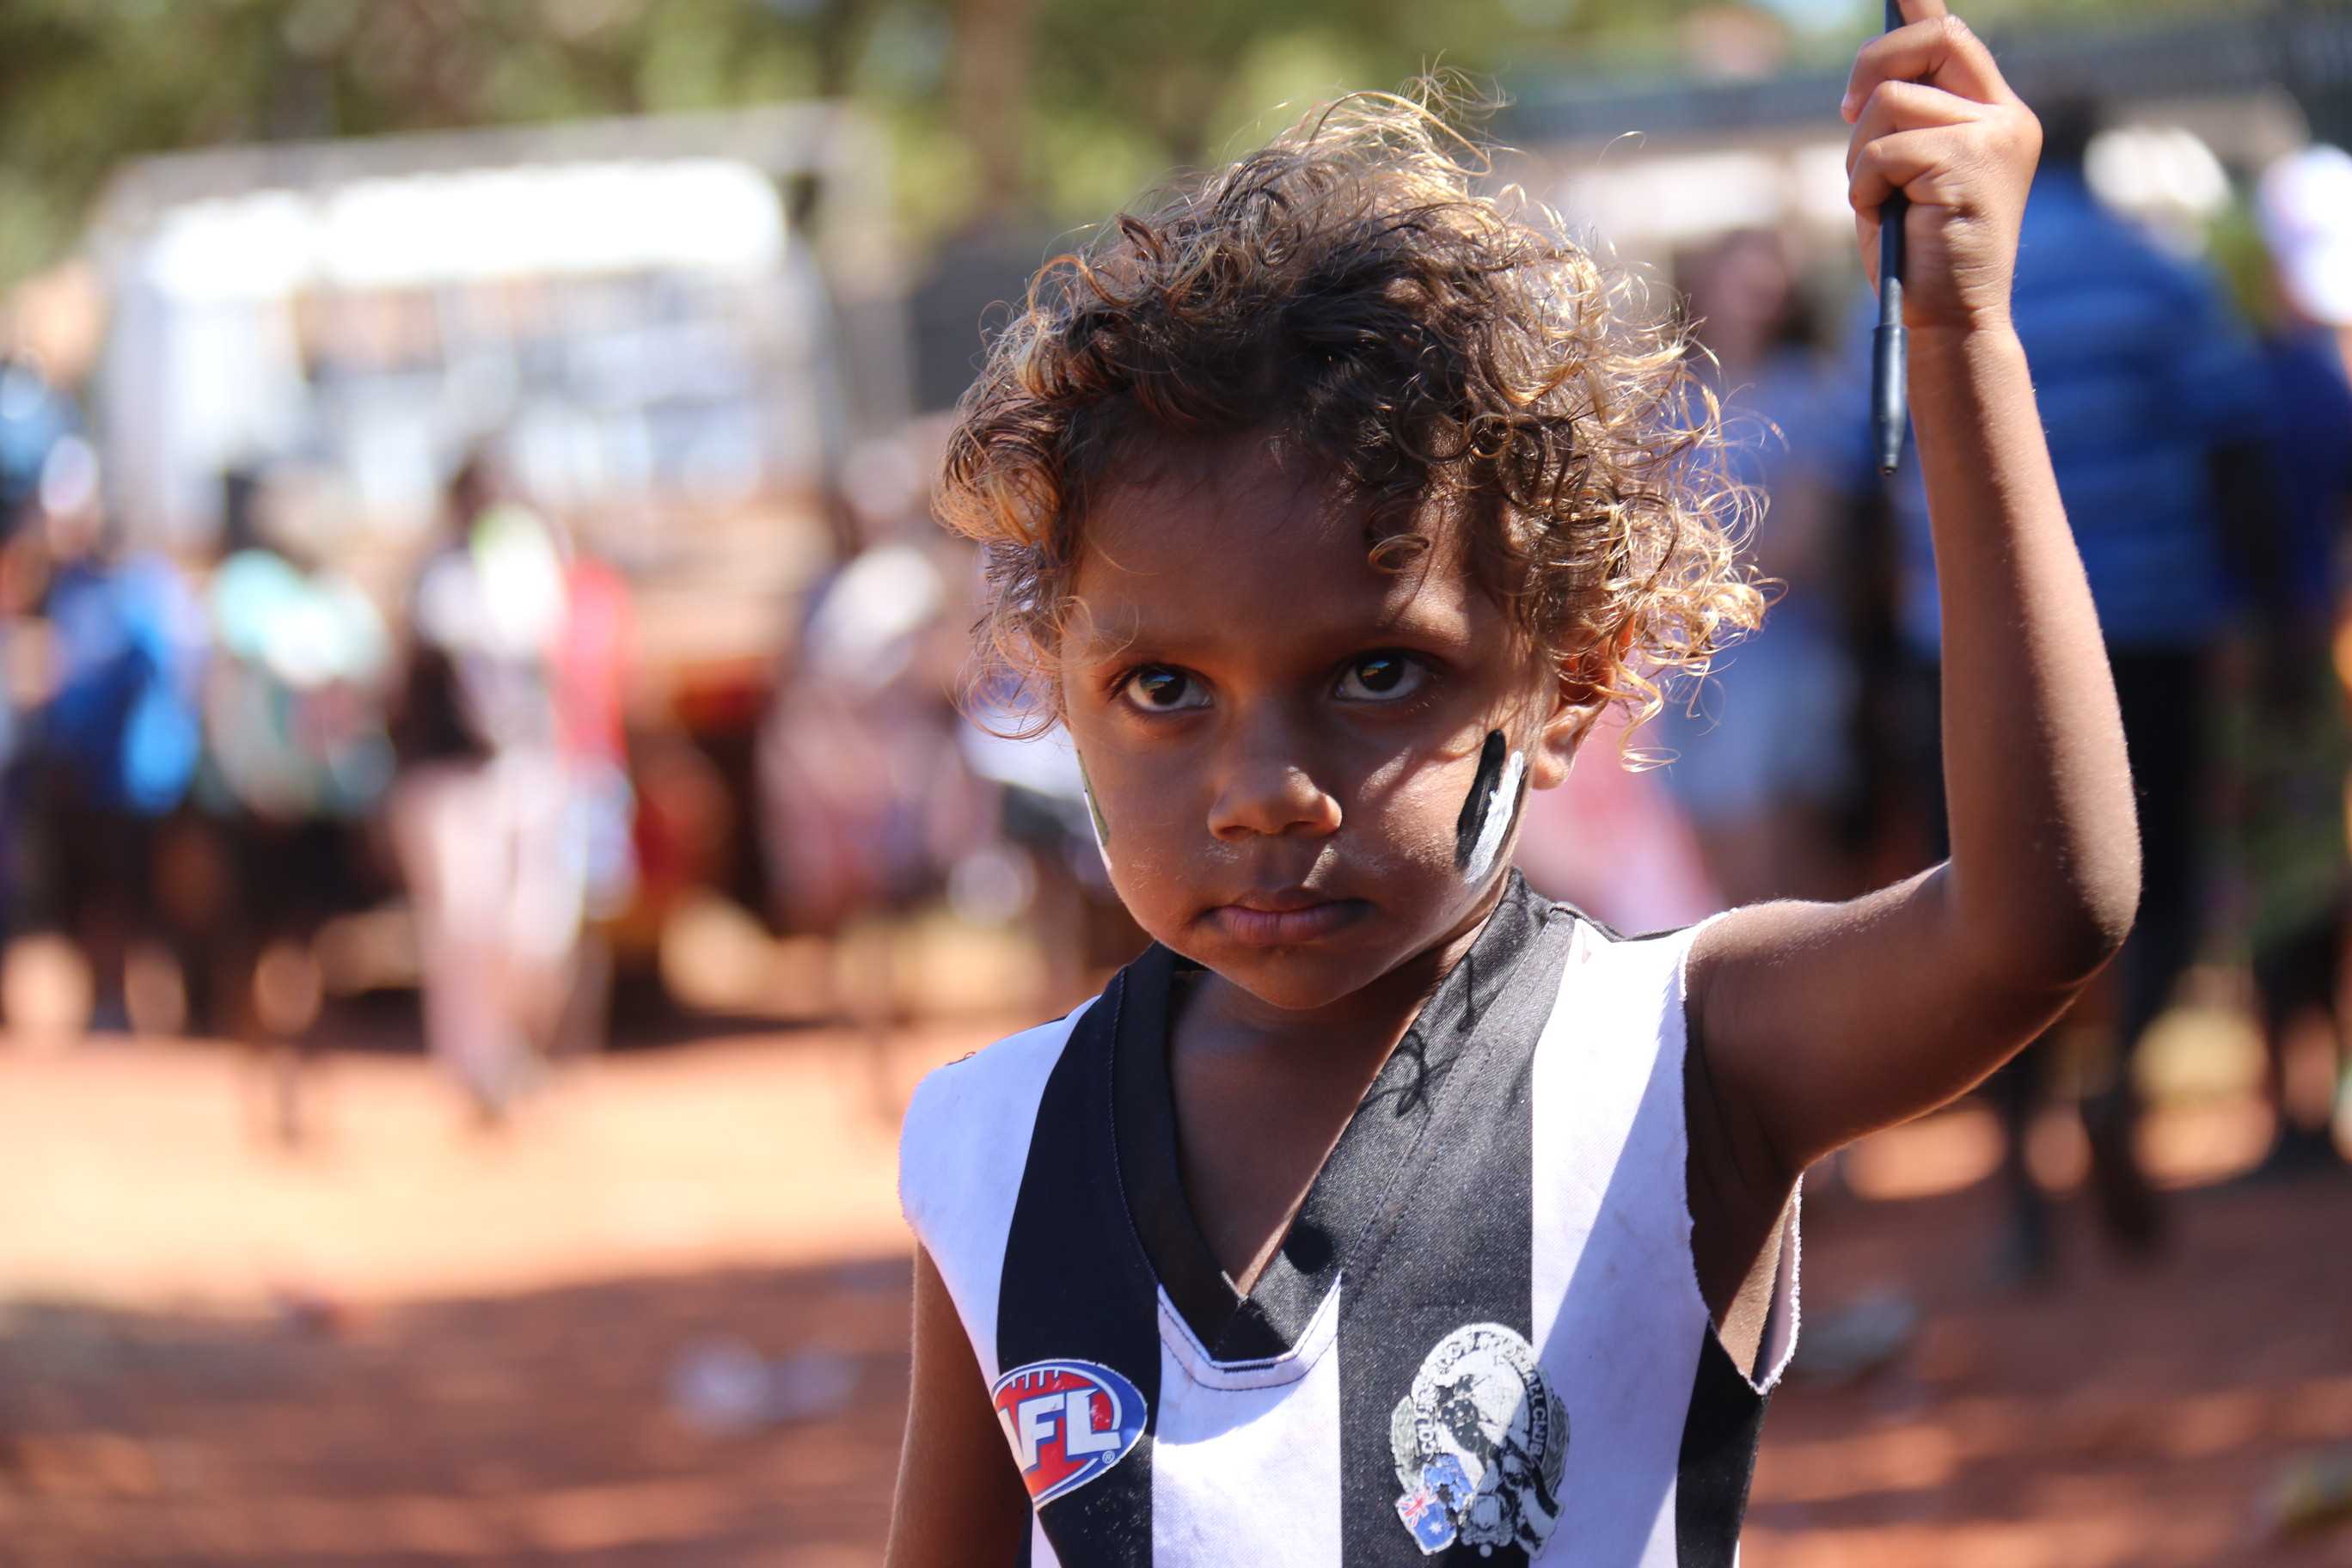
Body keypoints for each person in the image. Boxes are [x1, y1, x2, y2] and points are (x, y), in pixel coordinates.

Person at [889, 7, 2137, 1562]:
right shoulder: (990, 1150)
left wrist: (1958, 338)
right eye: (1162, 690)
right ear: (1057, 687)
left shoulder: (1678, 1064)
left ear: (1572, 685)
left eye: (1375, 673)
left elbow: (2038, 920)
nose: (1267, 789)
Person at [1850, 98, 2269, 1274]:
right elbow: (2235, 446)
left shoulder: (1899, 286)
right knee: (2166, 881)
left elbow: (1854, 470)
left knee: (1984, 901)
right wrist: (2267, 608)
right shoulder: (2159, 275)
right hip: (2154, 625)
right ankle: (2123, 1078)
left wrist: (1877, 664)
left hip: (1970, 653)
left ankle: (2025, 1193)